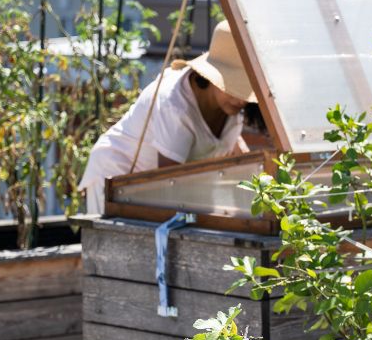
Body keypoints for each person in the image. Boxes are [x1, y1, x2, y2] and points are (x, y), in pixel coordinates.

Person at [78, 20, 258, 214]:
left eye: (246, 90)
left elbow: (240, 157)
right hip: (116, 177)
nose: (241, 99)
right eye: (234, 87)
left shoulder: (230, 107)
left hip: (151, 190)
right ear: (212, 77)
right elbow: (170, 186)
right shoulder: (174, 106)